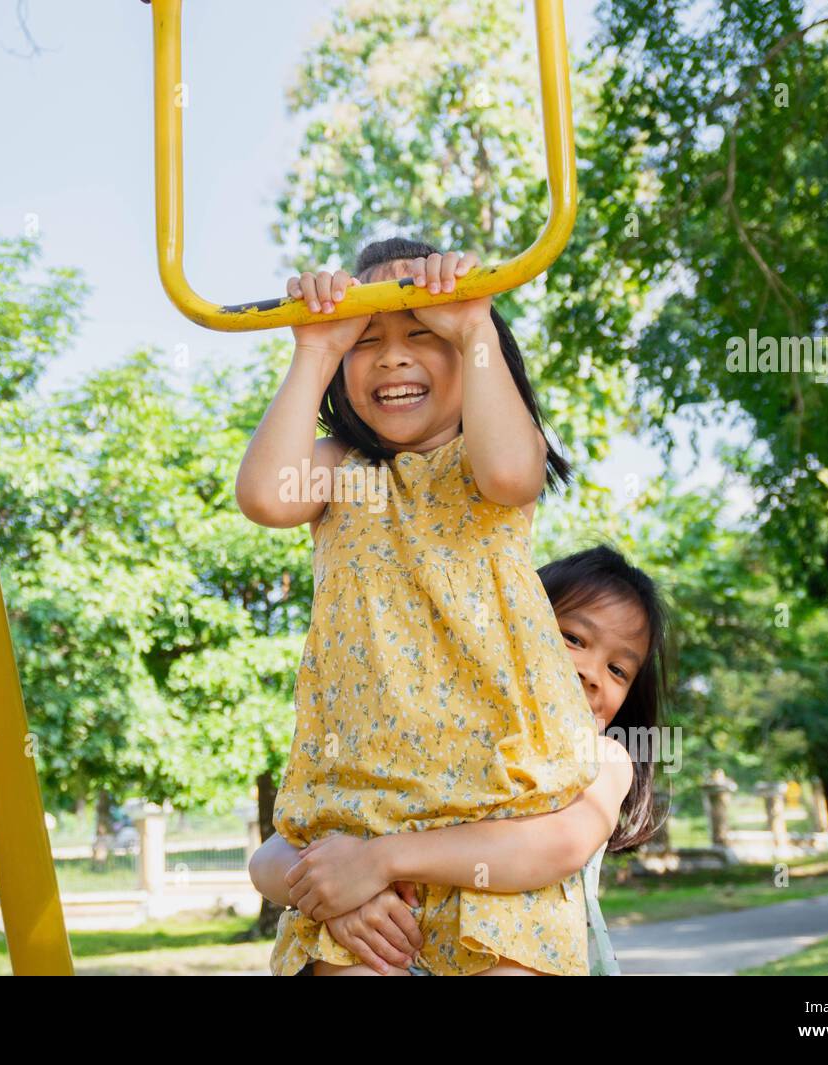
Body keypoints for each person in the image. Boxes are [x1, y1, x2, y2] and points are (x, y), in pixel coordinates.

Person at [236, 235, 602, 975]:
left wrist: (474, 327)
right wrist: (313, 347)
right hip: (359, 814)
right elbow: (265, 495)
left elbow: (512, 469)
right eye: (365, 341)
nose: (393, 356)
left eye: (421, 334)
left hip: (494, 814)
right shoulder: (341, 470)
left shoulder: (482, 461)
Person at [250, 544, 673, 977]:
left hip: (504, 952)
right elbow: (268, 858)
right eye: (572, 638)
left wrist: (379, 861)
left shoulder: (603, 758)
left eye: (618, 670)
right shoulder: (431, 735)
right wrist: (336, 892)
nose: (592, 673)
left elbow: (561, 843)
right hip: (386, 943)